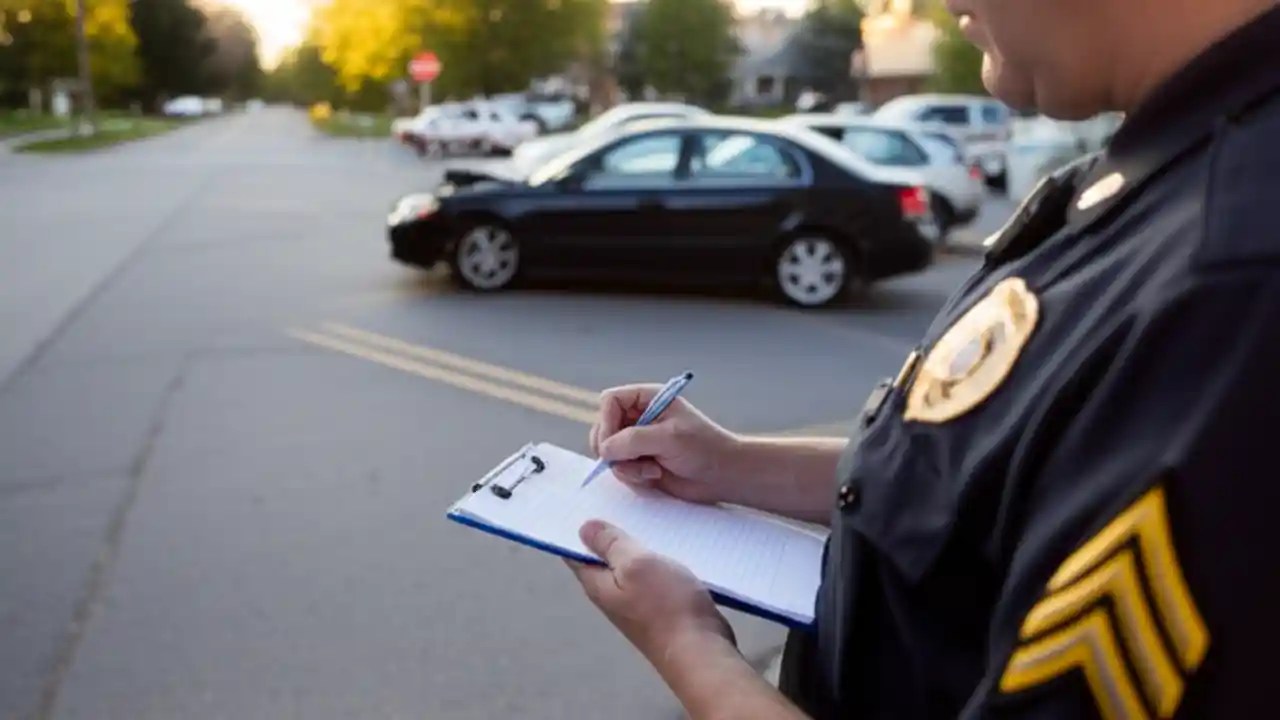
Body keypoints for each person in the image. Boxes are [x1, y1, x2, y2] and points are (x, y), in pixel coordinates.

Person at [566, 0, 1280, 717]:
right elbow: (977, 489)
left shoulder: (1232, 277)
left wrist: (686, 644)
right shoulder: (1173, 175)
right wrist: (730, 463)